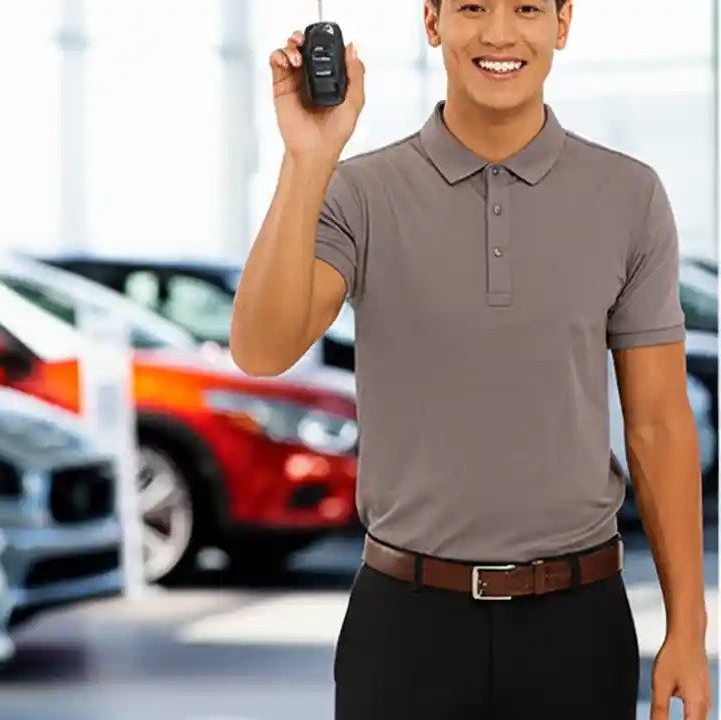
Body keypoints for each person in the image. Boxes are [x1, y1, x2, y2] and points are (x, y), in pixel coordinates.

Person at [231, 1, 713, 718]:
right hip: (404, 626)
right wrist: (309, 157)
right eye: (471, 8)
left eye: (524, 8)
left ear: (562, 24)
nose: (498, 33)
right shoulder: (359, 193)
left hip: (577, 627)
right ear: (432, 22)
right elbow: (262, 349)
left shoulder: (629, 196)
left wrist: (688, 628)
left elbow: (659, 425)